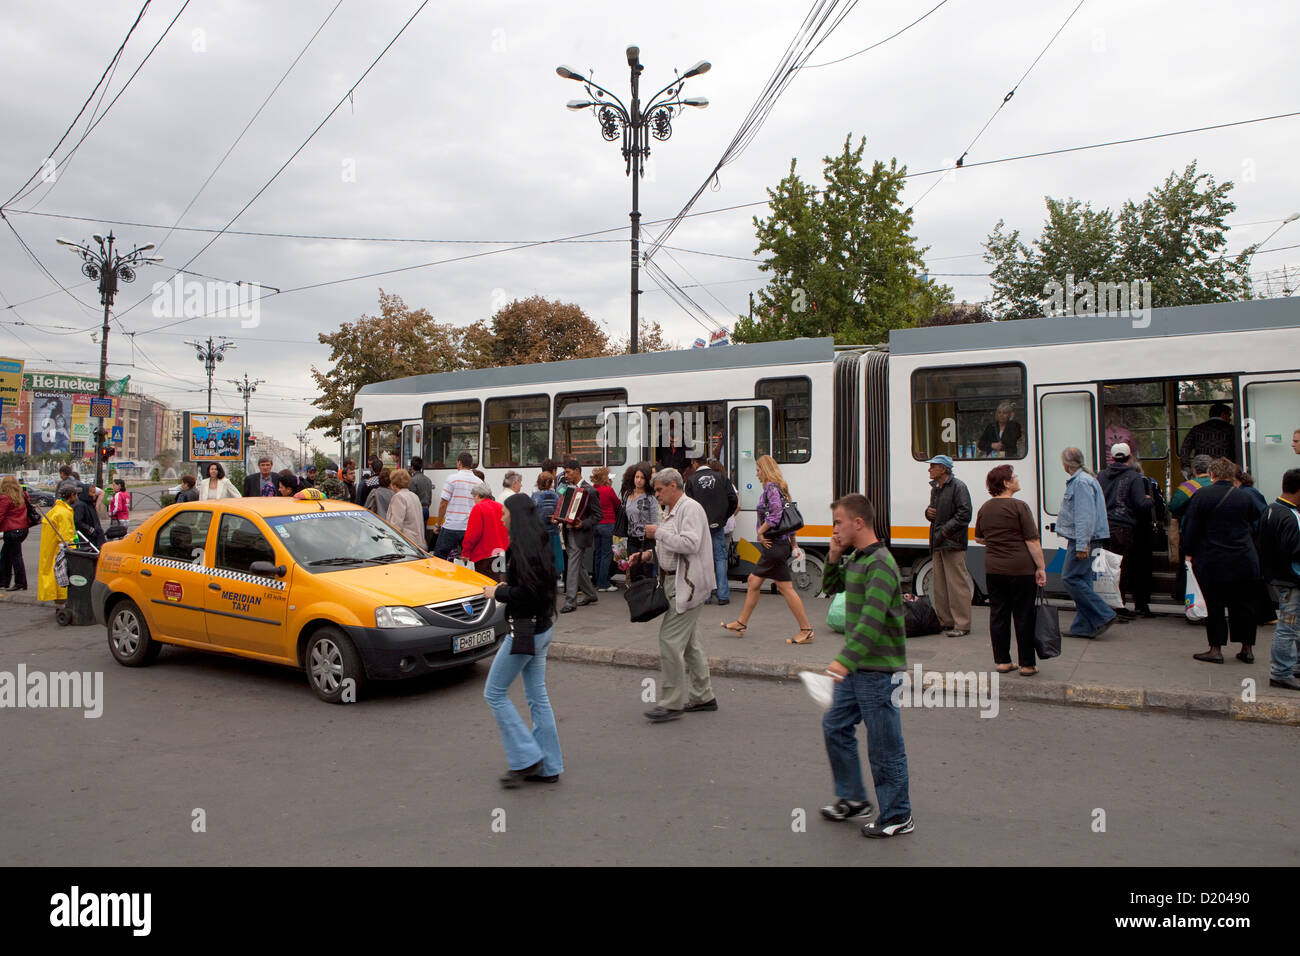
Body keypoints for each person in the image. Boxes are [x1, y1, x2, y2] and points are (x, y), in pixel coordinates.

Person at [818, 493, 913, 838]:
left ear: (858, 523)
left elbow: (871, 622)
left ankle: (898, 815)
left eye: (838, 523)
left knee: (885, 746)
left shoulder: (881, 564)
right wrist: (833, 555)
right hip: (858, 668)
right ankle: (854, 798)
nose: (835, 529)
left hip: (878, 671)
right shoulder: (857, 558)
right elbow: (830, 587)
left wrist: (843, 661)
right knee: (835, 727)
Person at [483, 494, 562, 786]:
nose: (501, 517)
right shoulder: (541, 543)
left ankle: (527, 758)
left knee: (493, 693)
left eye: (504, 513)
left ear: (515, 516)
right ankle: (549, 765)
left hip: (524, 632)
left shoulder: (519, 549)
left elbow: (525, 595)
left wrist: (499, 592)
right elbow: (538, 590)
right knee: (538, 698)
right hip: (542, 628)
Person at [635, 467, 717, 722]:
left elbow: (690, 543)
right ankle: (703, 696)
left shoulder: (689, 508)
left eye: (659, 489)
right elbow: (672, 545)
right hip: (676, 582)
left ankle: (671, 703)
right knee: (690, 643)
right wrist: (648, 554)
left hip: (688, 584)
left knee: (669, 640)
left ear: (673, 486)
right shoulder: (672, 509)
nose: (656, 494)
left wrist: (657, 534)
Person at [721, 454, 815, 644]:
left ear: (765, 470)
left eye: (757, 470)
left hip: (773, 545)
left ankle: (805, 630)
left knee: (757, 581)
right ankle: (742, 623)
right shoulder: (780, 488)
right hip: (781, 545)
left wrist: (762, 533)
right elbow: (790, 521)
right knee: (772, 585)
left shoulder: (772, 488)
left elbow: (777, 515)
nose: (756, 474)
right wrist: (794, 545)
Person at [1184, 457, 1267, 664]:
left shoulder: (1201, 495)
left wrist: (1188, 552)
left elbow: (1191, 528)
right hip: (1244, 557)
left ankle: (1216, 648)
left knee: (1215, 604)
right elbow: (1258, 521)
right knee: (1245, 603)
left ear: (1212, 475)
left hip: (1213, 558)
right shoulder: (1245, 497)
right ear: (1232, 475)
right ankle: (1247, 648)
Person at [975, 465, 1048, 675]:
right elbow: (1032, 540)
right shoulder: (1020, 507)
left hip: (994, 569)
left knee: (998, 614)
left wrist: (997, 541)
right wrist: (1041, 567)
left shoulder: (985, 508)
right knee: (1024, 615)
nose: (1017, 479)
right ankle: (1026, 664)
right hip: (1021, 569)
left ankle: (1003, 661)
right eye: (1014, 476)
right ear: (1006, 483)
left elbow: (979, 538)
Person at [1057, 446, 1116, 639]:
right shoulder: (1088, 479)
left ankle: (1104, 613)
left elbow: (1084, 516)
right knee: (1083, 580)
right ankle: (1083, 626)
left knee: (1069, 578)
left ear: (1067, 464)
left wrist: (1082, 544)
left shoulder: (1080, 482)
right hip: (1089, 538)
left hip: (1083, 539)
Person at [1098, 443, 1152, 620]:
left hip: (1104, 527)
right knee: (1123, 568)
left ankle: (1109, 605)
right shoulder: (1133, 477)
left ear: (1112, 458)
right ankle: (1119, 605)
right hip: (1123, 527)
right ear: (1129, 457)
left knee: (1108, 568)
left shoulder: (1102, 475)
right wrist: (1149, 500)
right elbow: (1140, 504)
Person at [1259, 468, 1300, 690]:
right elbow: (1294, 552)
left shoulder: (1271, 510)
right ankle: (1281, 671)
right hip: (1292, 580)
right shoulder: (1291, 517)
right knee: (1288, 627)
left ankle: (1290, 667)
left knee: (1291, 626)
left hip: (1280, 578)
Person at [924, 454, 973, 637]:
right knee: (940, 584)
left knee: (957, 584)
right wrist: (928, 513)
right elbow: (934, 512)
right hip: (939, 541)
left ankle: (962, 624)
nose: (929, 469)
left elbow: (964, 513)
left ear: (943, 469)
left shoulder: (958, 487)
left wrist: (944, 531)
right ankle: (946, 621)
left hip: (952, 542)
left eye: (933, 466)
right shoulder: (936, 488)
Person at [686, 456, 739, 607]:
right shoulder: (721, 478)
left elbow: (688, 506)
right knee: (720, 559)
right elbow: (733, 500)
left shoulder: (691, 481)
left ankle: (707, 595)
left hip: (700, 527)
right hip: (718, 525)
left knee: (704, 560)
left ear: (695, 463)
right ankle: (723, 595)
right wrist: (723, 517)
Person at [556, 459, 602, 613]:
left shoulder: (590, 490)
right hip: (567, 531)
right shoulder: (567, 488)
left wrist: (583, 524)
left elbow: (598, 515)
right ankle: (590, 594)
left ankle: (570, 601)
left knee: (573, 565)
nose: (566, 475)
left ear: (577, 471)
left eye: (568, 472)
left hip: (580, 534)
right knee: (578, 566)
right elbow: (562, 509)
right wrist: (557, 517)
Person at [1168, 454, 1213, 601]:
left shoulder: (1188, 487)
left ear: (1194, 470)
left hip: (1192, 535)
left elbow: (1173, 507)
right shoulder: (1217, 484)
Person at [432, 452, 478, 559]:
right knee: (469, 559)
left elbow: (443, 504)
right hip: (469, 528)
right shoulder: (479, 482)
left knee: (439, 558)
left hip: (451, 526)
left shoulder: (451, 479)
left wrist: (438, 524)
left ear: (459, 463)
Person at [38, 484, 77, 602]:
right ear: (71, 496)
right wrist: (73, 549)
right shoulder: (63, 513)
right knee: (61, 576)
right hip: (59, 550)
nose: (77, 497)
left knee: (54, 575)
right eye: (76, 495)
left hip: (52, 550)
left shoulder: (57, 509)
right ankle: (61, 601)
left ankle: (59, 601)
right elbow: (66, 537)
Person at [621, 462, 659, 581]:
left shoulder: (650, 498)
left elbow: (654, 521)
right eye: (637, 477)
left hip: (646, 540)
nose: (639, 480)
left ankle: (647, 598)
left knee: (646, 574)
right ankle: (635, 598)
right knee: (634, 572)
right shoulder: (627, 495)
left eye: (642, 478)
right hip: (631, 539)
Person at [462, 482, 508, 581]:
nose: (474, 500)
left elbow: (473, 534)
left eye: (473, 497)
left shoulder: (478, 508)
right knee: (498, 582)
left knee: (486, 585)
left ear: (478, 495)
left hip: (484, 556)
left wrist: (465, 553)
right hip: (501, 553)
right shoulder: (500, 506)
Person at [1179, 403, 1236, 475]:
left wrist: (1186, 466)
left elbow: (1185, 448)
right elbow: (1238, 449)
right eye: (1229, 415)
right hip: (1224, 470)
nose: (1230, 419)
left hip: (1202, 469)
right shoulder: (1231, 430)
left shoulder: (1197, 429)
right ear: (1223, 414)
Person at [589, 466, 620, 592]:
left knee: (598, 553)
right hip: (608, 523)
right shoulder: (608, 490)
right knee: (607, 555)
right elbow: (617, 504)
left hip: (595, 524)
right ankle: (604, 583)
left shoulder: (592, 490)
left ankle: (597, 581)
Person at [0, 476, 32, 592]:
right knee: (5, 555)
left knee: (15, 557)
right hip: (23, 529)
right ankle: (4, 581)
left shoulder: (5, 498)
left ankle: (20, 582)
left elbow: (0, 515)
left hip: (12, 530)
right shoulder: (22, 495)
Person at [532, 471, 563, 584]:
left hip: (539, 532)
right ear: (550, 483)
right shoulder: (555, 496)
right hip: (553, 530)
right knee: (555, 555)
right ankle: (556, 578)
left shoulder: (535, 496)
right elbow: (558, 511)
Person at [386, 469, 426, 548]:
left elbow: (396, 525)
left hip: (406, 543)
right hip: (418, 541)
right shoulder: (414, 496)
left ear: (394, 484)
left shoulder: (398, 497)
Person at [74, 483, 104, 548]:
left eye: (94, 492)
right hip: (87, 539)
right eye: (92, 492)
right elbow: (77, 521)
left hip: (95, 538)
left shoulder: (90, 504)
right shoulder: (81, 505)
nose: (94, 495)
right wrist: (89, 529)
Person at [408, 457, 434, 524]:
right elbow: (430, 497)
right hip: (426, 509)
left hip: (417, 510)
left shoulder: (412, 480)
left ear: (412, 467)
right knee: (424, 532)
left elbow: (411, 498)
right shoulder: (428, 480)